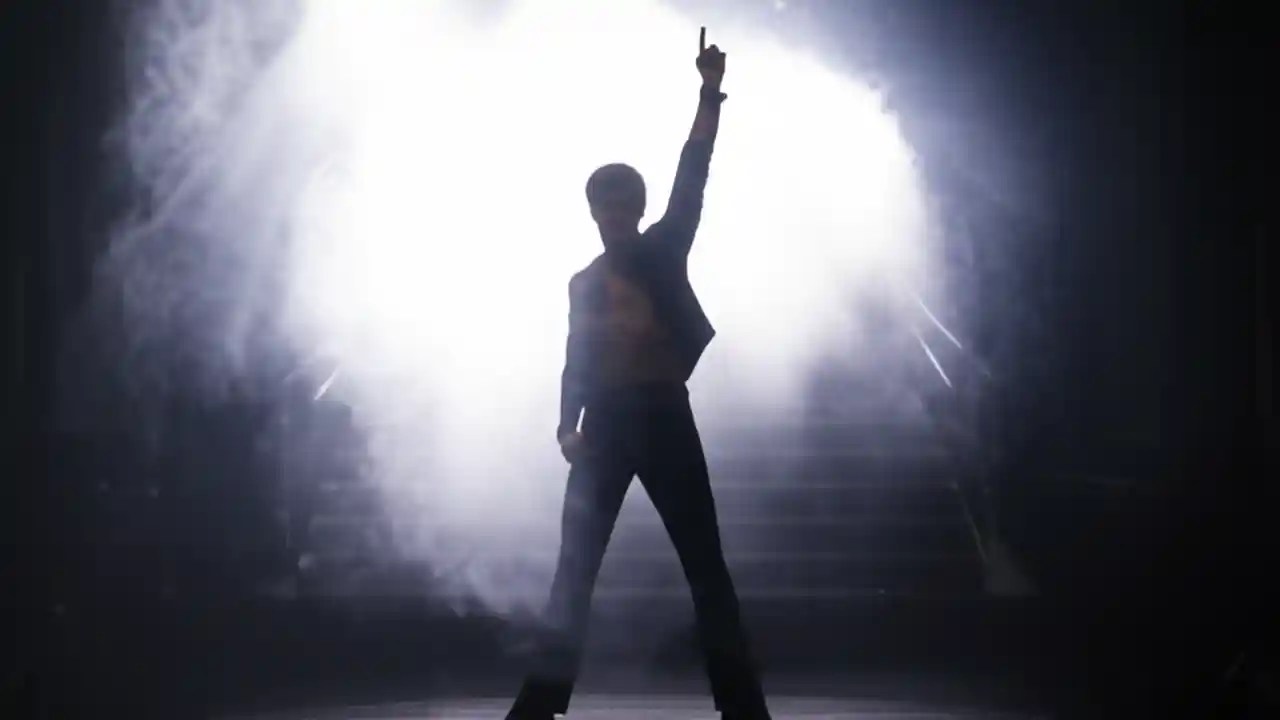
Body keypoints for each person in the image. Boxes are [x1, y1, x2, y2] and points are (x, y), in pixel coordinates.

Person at [506, 27, 771, 720]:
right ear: (594, 212)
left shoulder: (662, 249)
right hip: (608, 426)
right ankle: (538, 703)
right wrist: (567, 427)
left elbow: (695, 169)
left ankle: (742, 705)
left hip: (661, 412)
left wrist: (710, 93)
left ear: (638, 212)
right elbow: (575, 359)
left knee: (704, 565)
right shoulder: (583, 283)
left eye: (624, 207)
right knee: (575, 570)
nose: (615, 218)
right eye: (607, 207)